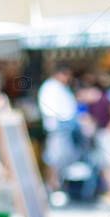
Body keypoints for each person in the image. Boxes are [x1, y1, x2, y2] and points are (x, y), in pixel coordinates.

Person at [38, 63, 80, 193]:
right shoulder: (50, 87)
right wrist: (61, 121)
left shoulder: (61, 87)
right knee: (54, 158)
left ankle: (59, 186)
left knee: (63, 158)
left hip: (65, 128)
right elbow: (48, 108)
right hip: (57, 127)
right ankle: (53, 187)